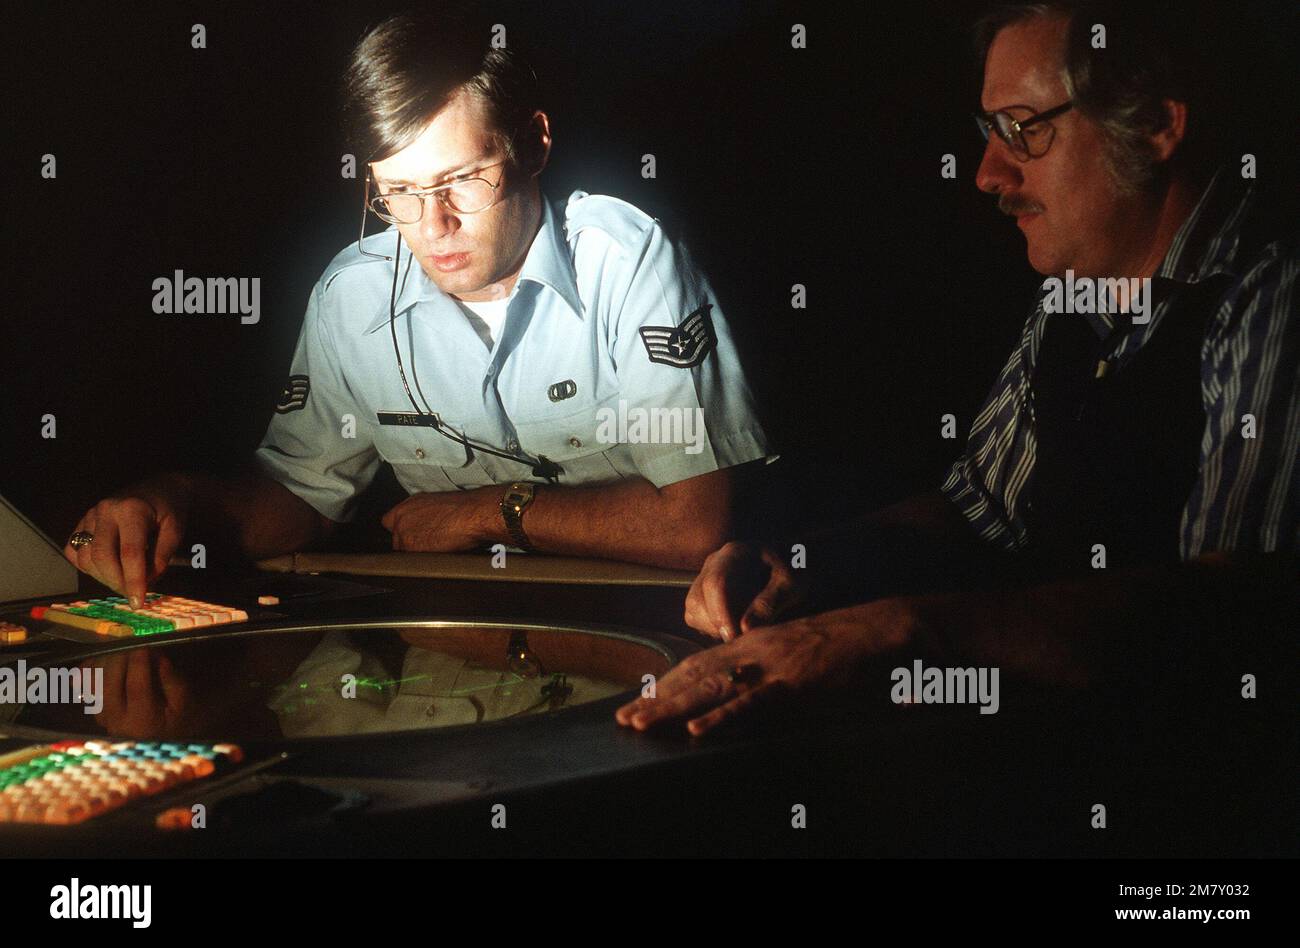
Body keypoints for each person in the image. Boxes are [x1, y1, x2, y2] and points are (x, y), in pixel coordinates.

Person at [618, 0, 1297, 737]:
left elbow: (1237, 609)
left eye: (1024, 130)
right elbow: (978, 510)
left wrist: (899, 629)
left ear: (1160, 125)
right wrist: (802, 561)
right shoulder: (1075, 298)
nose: (986, 173)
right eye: (989, 131)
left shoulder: (1270, 292)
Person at [63, 9, 771, 604]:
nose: (432, 225)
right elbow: (302, 499)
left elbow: (694, 526)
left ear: (533, 144)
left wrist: (486, 513)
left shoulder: (626, 258)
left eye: (463, 180)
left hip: (653, 618)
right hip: (464, 643)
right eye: (397, 192)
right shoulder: (351, 294)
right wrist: (174, 502)